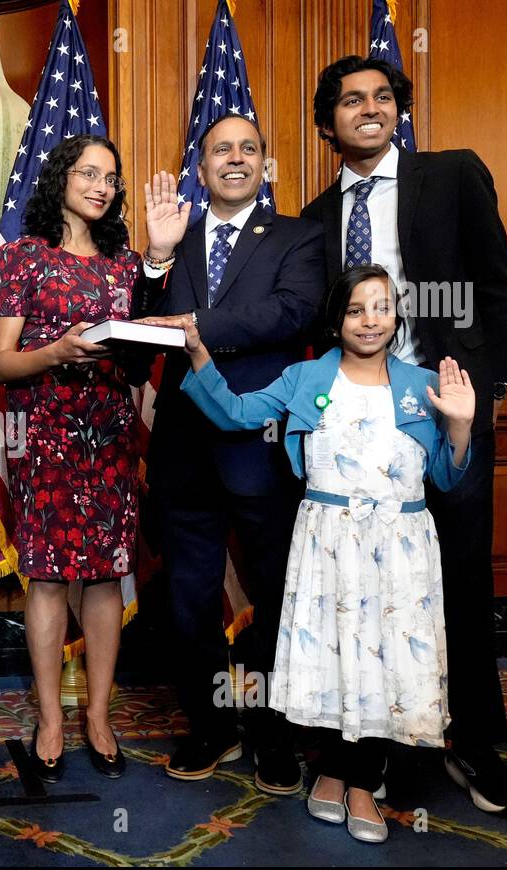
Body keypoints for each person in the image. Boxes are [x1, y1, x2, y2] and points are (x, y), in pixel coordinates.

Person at [151, 264, 474, 843]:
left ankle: (362, 781)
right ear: (336, 320)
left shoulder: (423, 384)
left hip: (398, 553)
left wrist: (460, 428)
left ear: (396, 315)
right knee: (332, 656)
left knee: (384, 663)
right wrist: (198, 352)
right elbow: (237, 414)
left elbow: (447, 481)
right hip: (327, 546)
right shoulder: (303, 378)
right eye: (355, 309)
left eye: (380, 307)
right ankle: (329, 768)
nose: (369, 320)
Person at [301, 55, 507, 815]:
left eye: (381, 96)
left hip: (445, 404)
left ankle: (472, 742)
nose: (369, 108)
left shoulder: (453, 174)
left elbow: (496, 284)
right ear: (327, 124)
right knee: (369, 588)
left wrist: (485, 394)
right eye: (350, 101)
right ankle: (379, 741)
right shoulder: (313, 217)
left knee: (460, 573)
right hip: (360, 420)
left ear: (395, 109)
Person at [135, 115, 325, 794]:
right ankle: (211, 724)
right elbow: (134, 333)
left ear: (265, 166)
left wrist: (191, 327)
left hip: (264, 444)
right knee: (188, 599)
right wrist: (155, 263)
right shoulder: (174, 239)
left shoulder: (299, 236)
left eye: (249, 148)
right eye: (222, 150)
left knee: (277, 595)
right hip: (185, 447)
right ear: (202, 165)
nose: (236, 158)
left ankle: (273, 732)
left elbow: (291, 313)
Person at [0, 135, 143, 781]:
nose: (102, 186)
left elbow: (142, 353)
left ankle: (98, 714)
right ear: (61, 179)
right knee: (49, 577)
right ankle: (51, 716)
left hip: (110, 435)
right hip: (46, 437)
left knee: (105, 576)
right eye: (89, 173)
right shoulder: (24, 257)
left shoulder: (127, 265)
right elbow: (0, 360)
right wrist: (56, 353)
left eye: (111, 177)